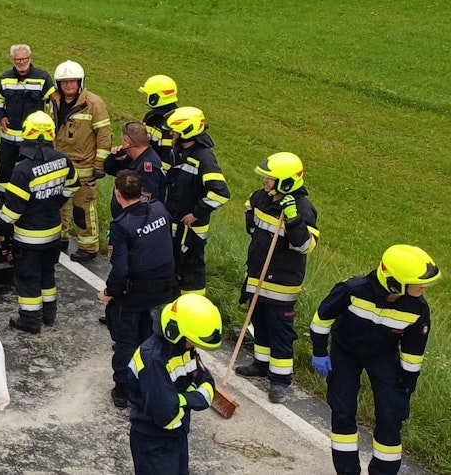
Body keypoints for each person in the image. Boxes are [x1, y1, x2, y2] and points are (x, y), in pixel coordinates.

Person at [310, 245, 439, 475]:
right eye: (418, 284)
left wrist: (406, 387)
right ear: (395, 283)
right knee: (343, 411)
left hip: (383, 356)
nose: (424, 289)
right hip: (345, 352)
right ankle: (347, 471)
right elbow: (322, 319)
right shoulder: (353, 290)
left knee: (390, 416)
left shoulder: (417, 308)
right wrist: (320, 351)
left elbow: (413, 351)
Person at [234, 152, 319, 403]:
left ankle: (280, 380)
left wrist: (293, 220)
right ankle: (260, 364)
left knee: (280, 332)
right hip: (257, 274)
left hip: (281, 284)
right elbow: (250, 207)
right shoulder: (262, 198)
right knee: (259, 322)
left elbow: (305, 246)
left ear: (286, 182)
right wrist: (251, 223)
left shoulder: (303, 210)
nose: (265, 182)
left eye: (270, 179)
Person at [0, 111, 79, 333]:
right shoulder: (63, 161)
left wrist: (0, 231)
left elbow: (12, 210)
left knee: (28, 278)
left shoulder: (22, 170)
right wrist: (55, 203)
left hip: (28, 238)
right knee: (47, 274)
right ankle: (49, 314)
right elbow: (73, 185)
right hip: (53, 233)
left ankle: (30, 321)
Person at [100, 170, 177, 408]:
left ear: (118, 194)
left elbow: (120, 269)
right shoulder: (159, 209)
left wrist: (108, 293)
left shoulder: (121, 225)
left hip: (134, 294)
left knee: (126, 341)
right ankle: (148, 383)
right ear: (142, 192)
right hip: (163, 289)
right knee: (151, 339)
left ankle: (123, 389)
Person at [127, 293, 222, 475]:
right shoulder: (153, 359)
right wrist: (193, 395)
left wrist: (181, 399)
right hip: (153, 442)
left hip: (177, 435)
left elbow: (208, 384)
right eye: (192, 341)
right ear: (176, 332)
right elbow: (166, 415)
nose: (194, 346)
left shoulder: (185, 347)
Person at [47, 60, 112, 263]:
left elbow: (104, 136)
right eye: (64, 81)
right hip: (58, 163)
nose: (68, 85)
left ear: (80, 82)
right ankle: (60, 237)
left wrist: (99, 165)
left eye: (72, 81)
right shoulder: (52, 100)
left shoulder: (94, 103)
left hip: (83, 167)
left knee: (82, 208)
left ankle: (89, 247)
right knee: (57, 205)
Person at [163, 107, 230, 295]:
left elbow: (221, 193)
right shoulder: (178, 151)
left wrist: (196, 213)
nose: (171, 134)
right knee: (174, 267)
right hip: (176, 224)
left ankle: (194, 306)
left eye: (175, 131)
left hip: (191, 231)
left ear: (186, 132)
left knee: (191, 273)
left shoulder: (204, 157)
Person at [0, 44, 54, 210]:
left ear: (30, 58)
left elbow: (53, 103)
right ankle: (2, 199)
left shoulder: (42, 78)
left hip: (32, 139)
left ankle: (27, 203)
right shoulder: (5, 79)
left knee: (30, 171)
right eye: (18, 59)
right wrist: (0, 116)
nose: (21, 62)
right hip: (8, 137)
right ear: (12, 59)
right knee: (4, 168)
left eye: (24, 59)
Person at [103, 122, 166, 219]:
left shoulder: (147, 167)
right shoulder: (134, 157)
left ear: (127, 142)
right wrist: (114, 157)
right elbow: (110, 170)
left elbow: (147, 202)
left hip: (135, 221)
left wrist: (131, 222)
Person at [139, 75, 179, 168]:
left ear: (155, 98)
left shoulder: (172, 123)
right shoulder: (150, 117)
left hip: (157, 172)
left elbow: (167, 158)